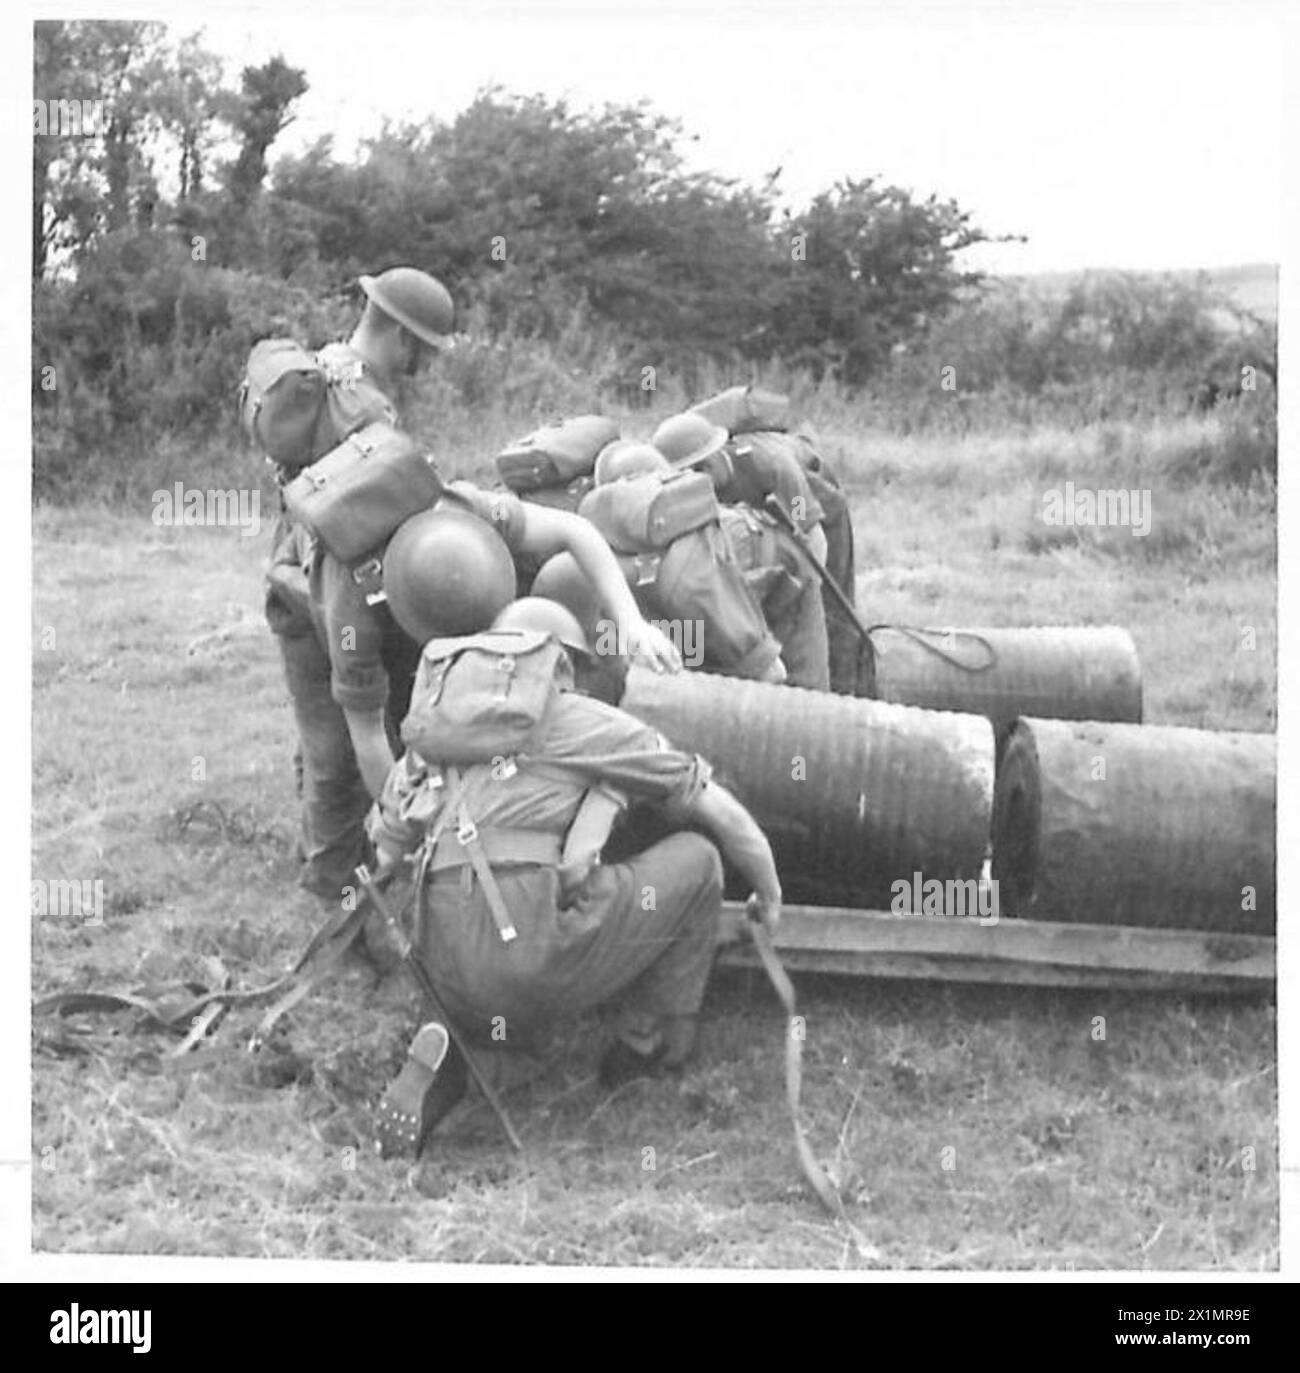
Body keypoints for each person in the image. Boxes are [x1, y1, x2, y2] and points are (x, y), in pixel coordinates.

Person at [267, 267, 680, 908]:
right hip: (304, 591)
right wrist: (426, 834)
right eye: (424, 349)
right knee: (333, 751)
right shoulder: (354, 602)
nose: (425, 364)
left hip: (318, 551)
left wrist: (632, 623)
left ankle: (362, 850)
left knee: (372, 730)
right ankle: (333, 890)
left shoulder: (448, 502)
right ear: (403, 338)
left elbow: (575, 532)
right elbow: (369, 739)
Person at [367, 596, 782, 1157]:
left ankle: (456, 1058)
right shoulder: (577, 720)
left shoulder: (433, 734)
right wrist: (769, 887)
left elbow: (384, 850)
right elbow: (713, 806)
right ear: (562, 663)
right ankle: (648, 1046)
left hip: (435, 961)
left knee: (489, 965)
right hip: (522, 953)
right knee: (698, 861)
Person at [650, 414, 831, 690]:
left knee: (826, 619)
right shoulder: (687, 491)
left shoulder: (773, 469)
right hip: (758, 539)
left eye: (694, 475)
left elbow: (814, 539)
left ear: (709, 463)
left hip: (808, 495)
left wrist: (803, 600)